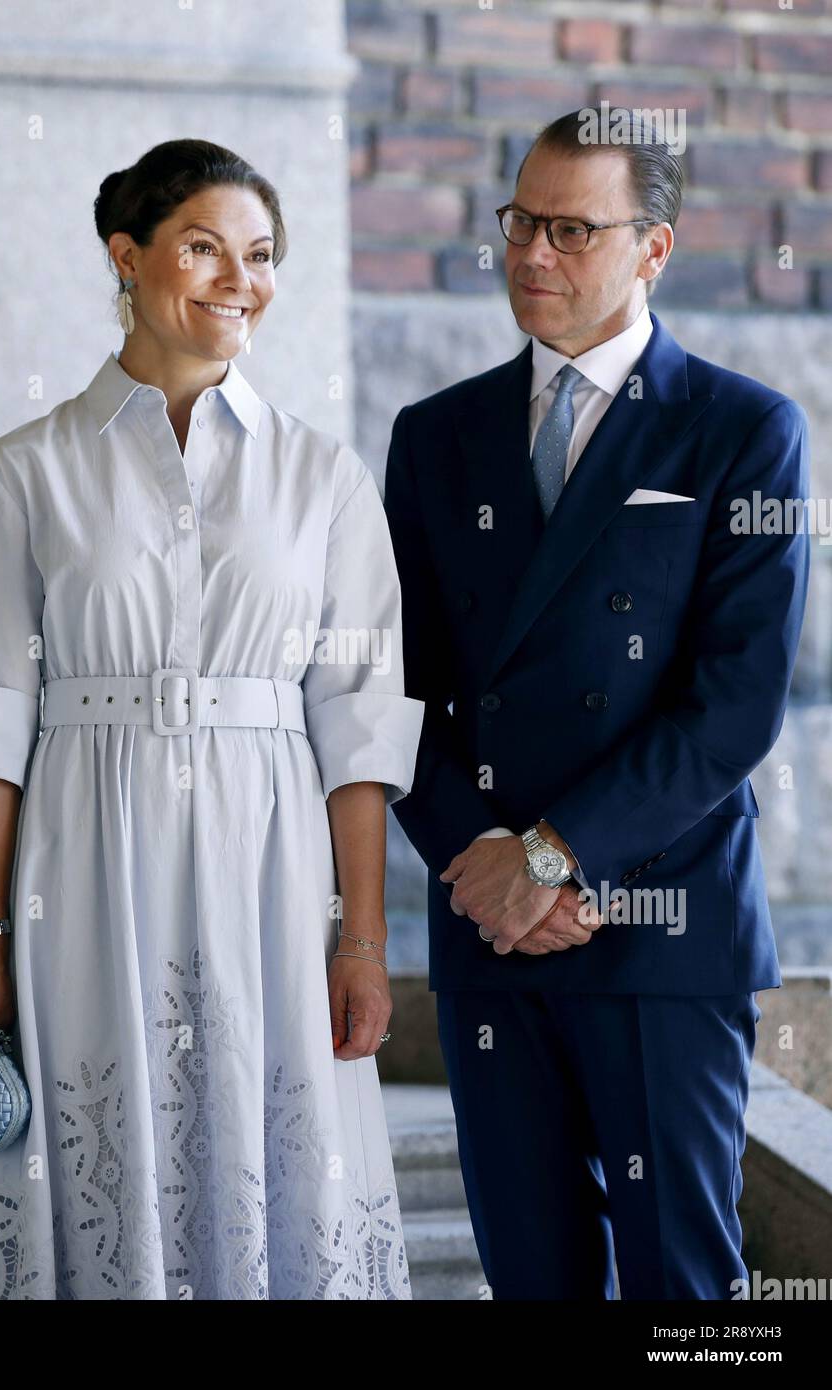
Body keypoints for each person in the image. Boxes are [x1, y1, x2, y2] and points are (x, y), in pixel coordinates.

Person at [0, 138, 424, 1300]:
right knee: (103, 1141)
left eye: (259, 255)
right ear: (126, 254)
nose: (237, 279)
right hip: (83, 860)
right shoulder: (25, 471)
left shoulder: (324, 477)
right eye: (202, 247)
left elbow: (356, 727)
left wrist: (360, 940)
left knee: (272, 1142)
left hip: (273, 860)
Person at [383, 108, 810, 1300]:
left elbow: (729, 709)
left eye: (570, 229)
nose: (530, 254)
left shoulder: (741, 430)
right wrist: (482, 861)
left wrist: (554, 856)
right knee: (532, 1281)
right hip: (486, 929)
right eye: (519, 221)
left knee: (682, 1286)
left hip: (657, 927)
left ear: (653, 249)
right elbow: (399, 688)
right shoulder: (434, 437)